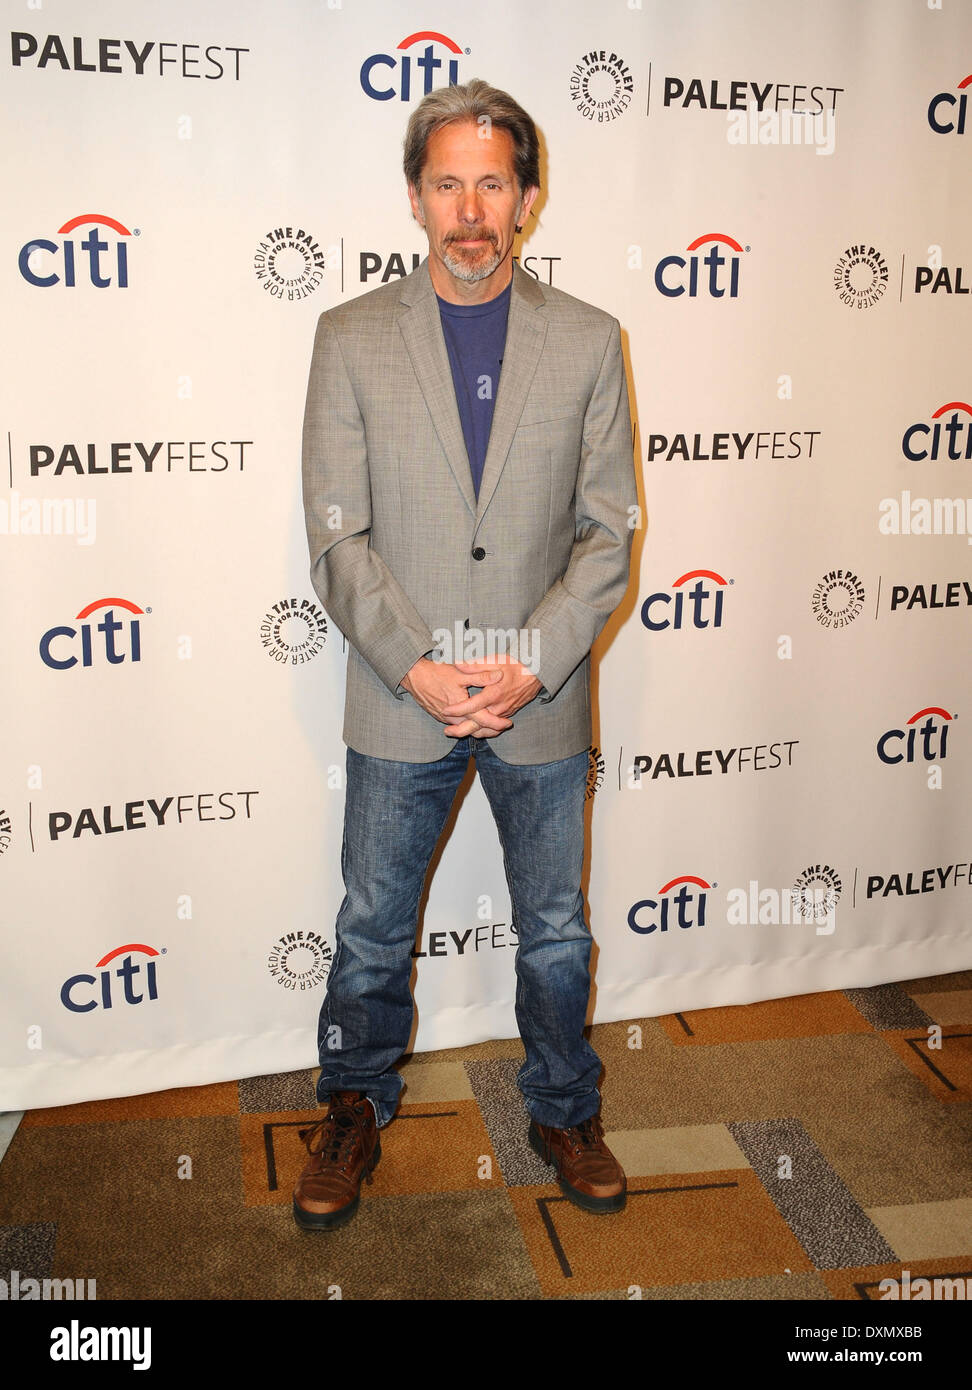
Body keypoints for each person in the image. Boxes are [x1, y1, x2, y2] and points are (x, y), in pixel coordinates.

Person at [295, 78, 638, 1231]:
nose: (472, 208)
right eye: (449, 183)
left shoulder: (591, 341)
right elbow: (337, 531)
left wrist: (533, 660)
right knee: (372, 928)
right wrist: (416, 665)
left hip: (538, 700)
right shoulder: (347, 339)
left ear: (528, 198)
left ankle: (562, 1106)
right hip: (407, 699)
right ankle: (351, 1105)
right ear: (415, 197)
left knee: (554, 928)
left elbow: (608, 531)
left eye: (494, 181)